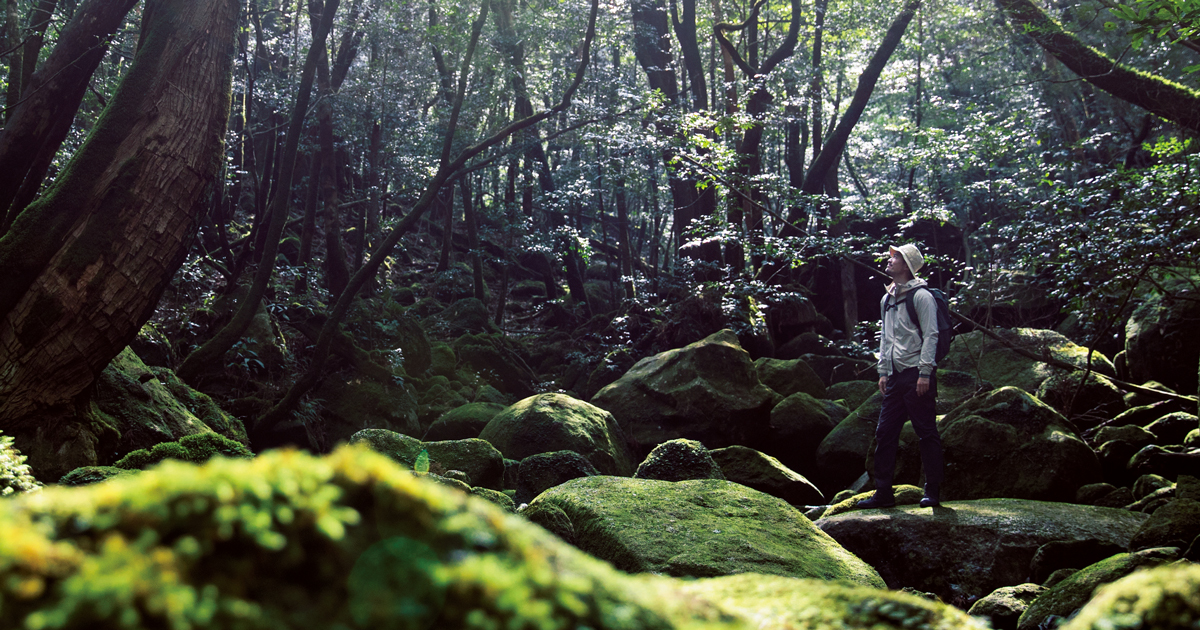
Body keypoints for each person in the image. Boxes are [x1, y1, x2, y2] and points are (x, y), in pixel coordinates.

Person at [857, 243, 944, 509]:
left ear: (906, 265)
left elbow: (932, 334)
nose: (889, 260)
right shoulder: (887, 298)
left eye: (894, 258)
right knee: (884, 433)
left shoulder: (921, 296)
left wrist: (925, 372)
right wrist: (883, 372)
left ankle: (933, 492)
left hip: (917, 374)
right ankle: (883, 493)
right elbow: (886, 338)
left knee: (926, 433)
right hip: (894, 377)